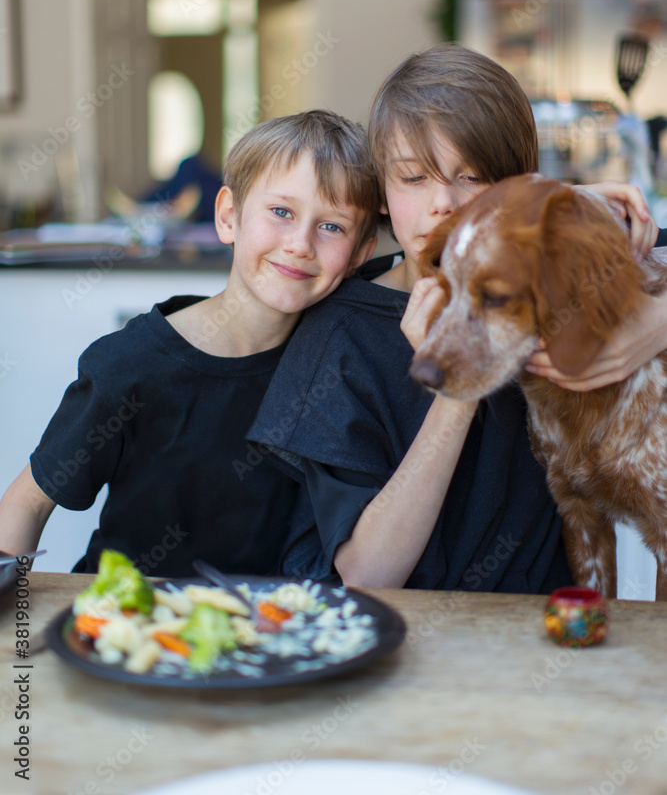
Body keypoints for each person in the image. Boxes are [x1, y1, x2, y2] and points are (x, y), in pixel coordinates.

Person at [247, 44, 662, 592]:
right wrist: (456, 374)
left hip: (546, 641)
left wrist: (655, 319)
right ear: (382, 195)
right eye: (413, 178)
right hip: (403, 645)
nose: (444, 203)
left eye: (474, 177)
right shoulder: (342, 333)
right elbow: (365, 575)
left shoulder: (558, 274)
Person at [0, 110, 379, 576]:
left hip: (267, 633)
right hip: (126, 624)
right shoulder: (130, 364)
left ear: (361, 253)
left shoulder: (341, 366)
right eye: (281, 211)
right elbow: (25, 506)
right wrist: (16, 641)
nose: (301, 243)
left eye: (332, 226)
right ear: (228, 216)